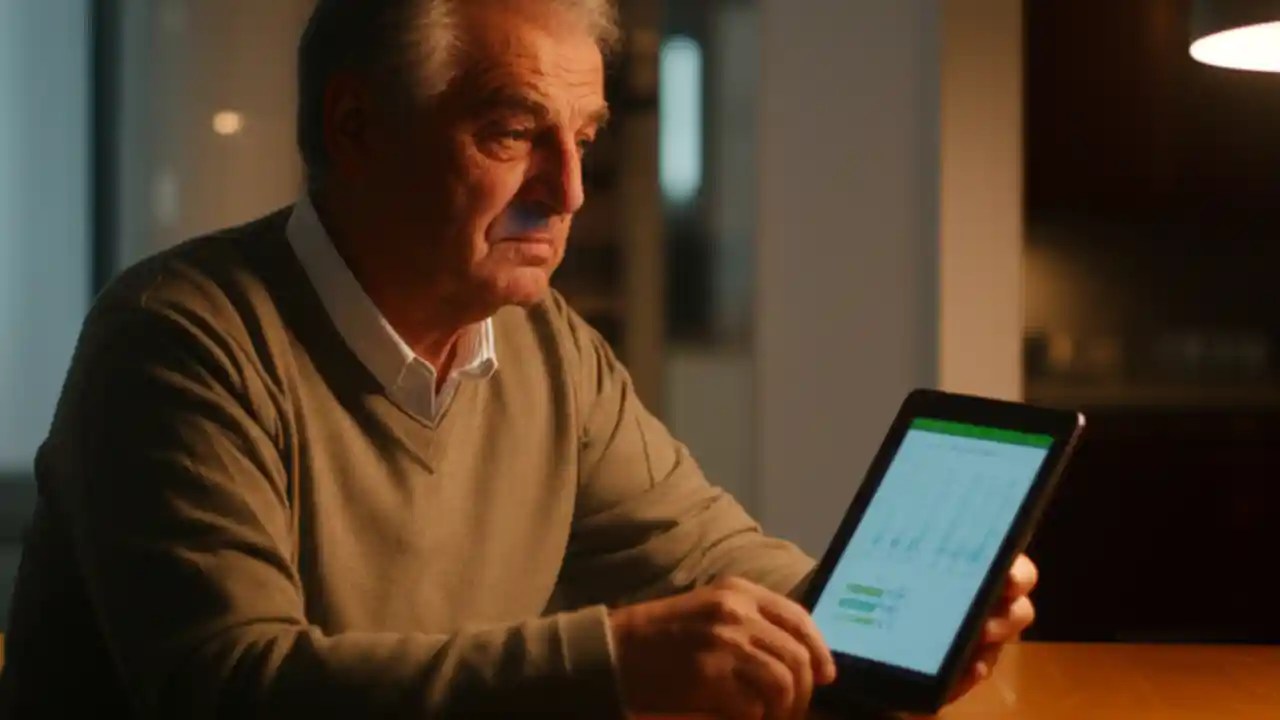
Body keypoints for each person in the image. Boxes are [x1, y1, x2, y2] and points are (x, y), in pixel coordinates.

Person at [0, 1, 1037, 717]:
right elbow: (232, 688)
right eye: (510, 134)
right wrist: (616, 662)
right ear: (354, 127)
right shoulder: (179, 338)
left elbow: (711, 555)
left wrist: (873, 626)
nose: (569, 191)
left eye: (583, 137)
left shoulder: (546, 349)